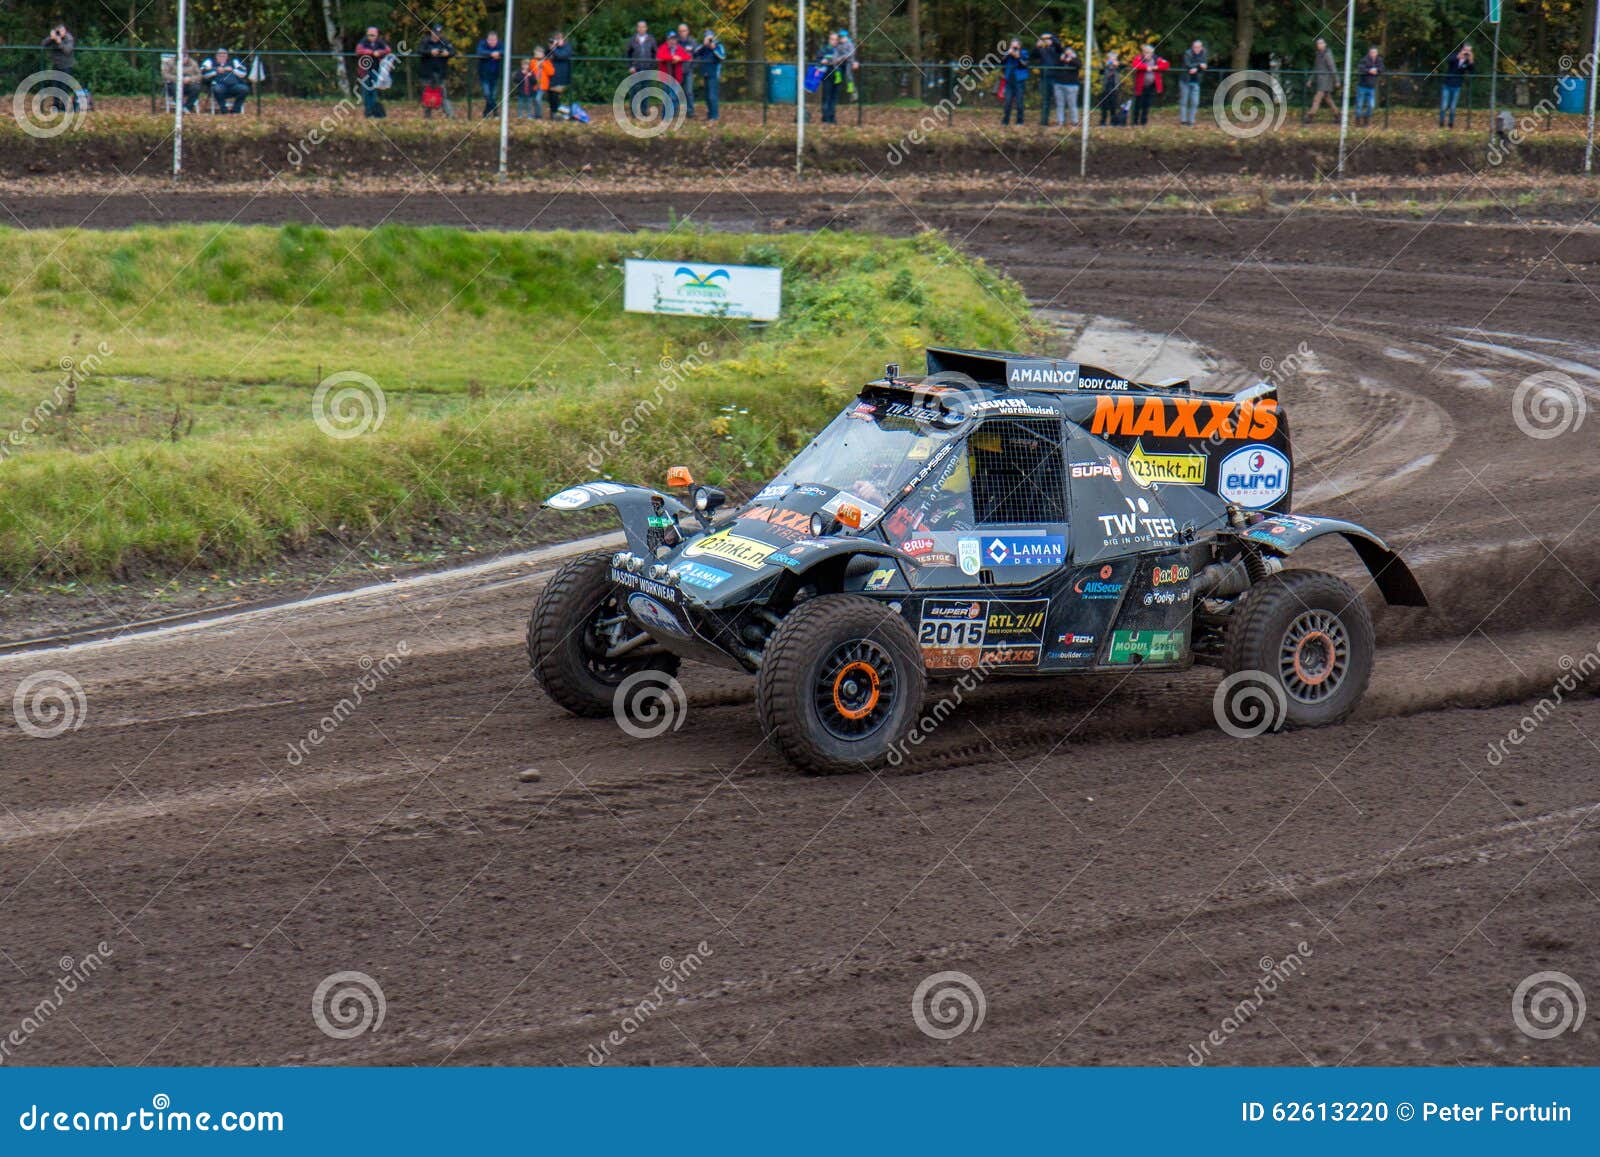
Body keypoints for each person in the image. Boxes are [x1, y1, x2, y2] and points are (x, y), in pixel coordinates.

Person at [417, 24, 455, 119]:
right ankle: (427, 117)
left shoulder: (445, 42)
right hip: (427, 73)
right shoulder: (425, 41)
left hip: (440, 73)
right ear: (431, 32)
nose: (436, 35)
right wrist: (430, 52)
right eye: (435, 33)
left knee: (443, 96)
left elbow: (453, 51)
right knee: (427, 96)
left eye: (438, 33)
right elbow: (419, 50)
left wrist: (448, 53)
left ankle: (450, 116)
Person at [353, 27, 391, 118]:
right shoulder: (363, 41)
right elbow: (358, 50)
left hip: (376, 70)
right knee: (366, 91)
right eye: (370, 35)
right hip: (364, 71)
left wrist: (379, 52)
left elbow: (388, 50)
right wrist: (371, 52)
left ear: (377, 35)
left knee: (374, 91)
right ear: (367, 34)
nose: (372, 37)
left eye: (374, 35)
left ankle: (374, 112)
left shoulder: (380, 42)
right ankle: (368, 112)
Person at [818, 31, 854, 124]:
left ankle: (832, 118)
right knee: (827, 97)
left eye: (836, 39)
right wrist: (823, 60)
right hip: (827, 76)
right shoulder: (824, 49)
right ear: (829, 40)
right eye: (832, 39)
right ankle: (825, 118)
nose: (834, 41)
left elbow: (849, 58)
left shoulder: (842, 48)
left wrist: (854, 62)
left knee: (834, 98)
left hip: (838, 77)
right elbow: (818, 59)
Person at [201, 48, 249, 113]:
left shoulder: (234, 62)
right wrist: (216, 70)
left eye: (224, 55)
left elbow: (243, 73)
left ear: (227, 56)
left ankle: (236, 110)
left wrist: (232, 70)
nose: (222, 57)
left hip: (234, 85)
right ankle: (224, 110)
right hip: (219, 85)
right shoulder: (210, 62)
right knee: (217, 89)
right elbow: (203, 73)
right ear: (216, 56)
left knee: (244, 89)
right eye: (220, 55)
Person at [1130, 43, 1168, 126]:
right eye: (1146, 52)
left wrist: (1156, 67)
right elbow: (1135, 64)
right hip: (1140, 86)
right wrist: (1146, 67)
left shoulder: (1156, 59)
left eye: (1150, 52)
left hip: (1151, 86)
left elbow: (1166, 64)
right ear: (1143, 52)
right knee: (1138, 104)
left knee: (1146, 105)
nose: (1148, 54)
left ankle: (1143, 122)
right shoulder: (1139, 58)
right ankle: (1135, 122)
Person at [693, 30, 725, 123]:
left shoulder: (718, 46)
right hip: (705, 74)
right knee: (707, 96)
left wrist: (713, 48)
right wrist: (704, 45)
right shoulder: (703, 47)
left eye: (710, 37)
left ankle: (715, 116)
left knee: (712, 96)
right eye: (707, 37)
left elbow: (722, 57)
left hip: (714, 74)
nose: (709, 40)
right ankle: (710, 115)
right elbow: (695, 53)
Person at [1305, 37, 1339, 122]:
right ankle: (1338, 115)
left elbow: (1332, 68)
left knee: (1317, 98)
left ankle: (1309, 116)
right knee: (1328, 99)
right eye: (1318, 44)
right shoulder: (1318, 54)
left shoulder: (1327, 54)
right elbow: (1316, 68)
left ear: (1325, 44)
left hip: (1326, 81)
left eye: (1321, 43)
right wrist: (1310, 80)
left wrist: (1337, 80)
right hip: (1320, 81)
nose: (1319, 45)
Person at [655, 31, 688, 118]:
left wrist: (680, 58)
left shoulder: (679, 48)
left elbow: (687, 57)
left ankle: (674, 114)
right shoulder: (663, 47)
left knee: (674, 96)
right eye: (671, 39)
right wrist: (672, 57)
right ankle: (665, 115)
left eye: (674, 39)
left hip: (677, 77)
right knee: (667, 96)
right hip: (666, 77)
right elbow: (660, 56)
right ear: (667, 39)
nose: (672, 41)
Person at [1440, 44, 1473, 128]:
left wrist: (1471, 60)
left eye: (1469, 51)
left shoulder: (1467, 61)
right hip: (1447, 84)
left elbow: (1472, 70)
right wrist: (1459, 56)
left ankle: (1450, 124)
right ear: (1462, 49)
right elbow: (1448, 60)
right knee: (1444, 106)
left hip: (1457, 86)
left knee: (1453, 107)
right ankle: (1441, 123)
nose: (1467, 52)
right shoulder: (1455, 55)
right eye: (1466, 50)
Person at [1036, 32, 1063, 126]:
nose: (1046, 41)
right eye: (1045, 40)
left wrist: (1051, 36)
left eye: (1048, 40)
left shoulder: (1056, 49)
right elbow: (1033, 55)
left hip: (1056, 77)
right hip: (1044, 77)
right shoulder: (1041, 50)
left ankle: (1060, 122)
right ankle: (1044, 121)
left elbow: (1059, 46)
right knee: (1045, 100)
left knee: (1059, 100)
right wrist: (1037, 46)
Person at [477, 30, 505, 117]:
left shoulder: (500, 44)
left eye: (494, 40)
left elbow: (504, 51)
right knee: (487, 94)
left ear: (497, 40)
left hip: (495, 75)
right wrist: (491, 54)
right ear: (487, 40)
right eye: (490, 40)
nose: (492, 42)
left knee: (493, 95)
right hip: (484, 75)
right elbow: (480, 51)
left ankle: (486, 113)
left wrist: (499, 53)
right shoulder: (482, 44)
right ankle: (495, 111)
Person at [517, 50, 553, 118]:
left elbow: (551, 73)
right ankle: (534, 114)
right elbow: (528, 69)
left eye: (539, 53)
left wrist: (543, 65)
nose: (538, 55)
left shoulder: (547, 62)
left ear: (543, 54)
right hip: (533, 85)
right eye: (536, 53)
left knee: (537, 99)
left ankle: (539, 115)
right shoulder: (533, 61)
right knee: (533, 100)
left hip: (542, 85)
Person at [1001, 38, 1028, 125]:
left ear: (1019, 46)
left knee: (1019, 102)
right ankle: (1005, 120)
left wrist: (1018, 57)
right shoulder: (1008, 53)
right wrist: (1007, 54)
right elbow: (1002, 63)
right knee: (1007, 102)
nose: (1014, 48)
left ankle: (1020, 121)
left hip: (1019, 80)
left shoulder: (1024, 53)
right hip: (1009, 80)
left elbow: (1025, 65)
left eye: (1016, 47)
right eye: (1012, 46)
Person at [1179, 39, 1206, 126]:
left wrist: (1196, 68)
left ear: (1201, 47)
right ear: (1192, 47)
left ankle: (1191, 120)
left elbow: (1204, 66)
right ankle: (1183, 120)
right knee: (1184, 101)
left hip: (1196, 81)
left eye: (1198, 47)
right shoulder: (1188, 53)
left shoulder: (1203, 53)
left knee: (1195, 102)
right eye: (1195, 47)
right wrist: (1199, 66)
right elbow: (1188, 65)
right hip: (1185, 81)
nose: (1197, 49)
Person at [547, 31, 573, 120]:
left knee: (558, 96)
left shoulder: (567, 47)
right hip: (551, 76)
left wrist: (554, 48)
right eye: (556, 39)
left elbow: (561, 56)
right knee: (551, 96)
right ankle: (553, 114)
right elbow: (545, 55)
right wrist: (551, 47)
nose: (557, 41)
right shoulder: (552, 48)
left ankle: (563, 115)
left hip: (561, 76)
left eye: (559, 39)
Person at [1355, 45, 1382, 126]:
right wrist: (1369, 70)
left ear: (1377, 53)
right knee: (1359, 104)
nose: (1373, 54)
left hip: (1371, 87)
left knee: (1371, 105)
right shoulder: (1364, 60)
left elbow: (1382, 68)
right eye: (1372, 52)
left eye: (1375, 52)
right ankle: (1358, 121)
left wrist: (1376, 70)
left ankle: (1366, 118)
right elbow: (1361, 68)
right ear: (1369, 53)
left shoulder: (1379, 60)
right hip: (1362, 86)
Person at [1097, 50, 1122, 125]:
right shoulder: (1105, 65)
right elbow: (1100, 72)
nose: (1112, 59)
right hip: (1106, 88)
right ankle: (1103, 121)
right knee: (1104, 107)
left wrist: (1117, 64)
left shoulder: (1118, 66)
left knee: (1113, 106)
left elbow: (1123, 66)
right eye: (1110, 57)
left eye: (1114, 57)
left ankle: (1114, 122)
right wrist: (1105, 65)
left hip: (1114, 88)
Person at [676, 23, 696, 116]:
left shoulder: (692, 42)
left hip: (688, 71)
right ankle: (675, 111)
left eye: (684, 30)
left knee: (689, 92)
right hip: (676, 71)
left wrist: (693, 68)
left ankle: (690, 111)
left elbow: (697, 56)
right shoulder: (674, 42)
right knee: (675, 91)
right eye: (680, 31)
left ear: (688, 31)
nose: (682, 33)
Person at [1060, 45, 1081, 126]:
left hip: (1072, 84)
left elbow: (1079, 65)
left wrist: (1071, 60)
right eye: (1066, 51)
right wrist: (1062, 60)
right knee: (1060, 104)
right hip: (1060, 83)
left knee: (1072, 104)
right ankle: (1061, 121)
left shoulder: (1075, 59)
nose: (1067, 53)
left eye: (1069, 51)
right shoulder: (1061, 58)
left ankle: (1075, 121)